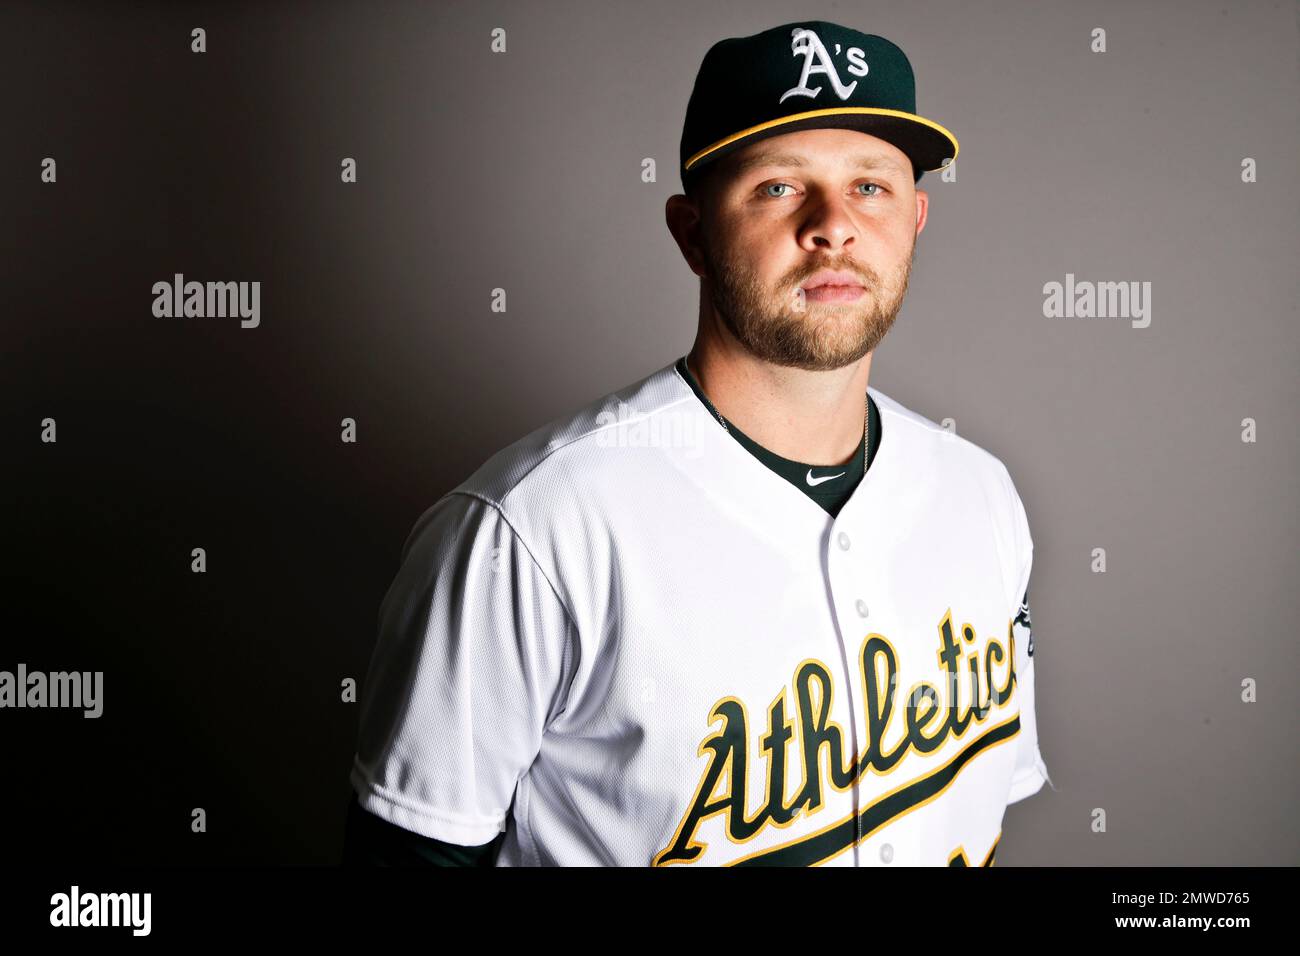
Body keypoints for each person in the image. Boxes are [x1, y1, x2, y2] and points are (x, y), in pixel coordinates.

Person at [343, 19, 1052, 868]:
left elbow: (969, 814)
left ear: (916, 219)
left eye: (871, 187)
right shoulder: (530, 529)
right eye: (780, 187)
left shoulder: (982, 497)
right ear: (691, 233)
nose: (834, 225)